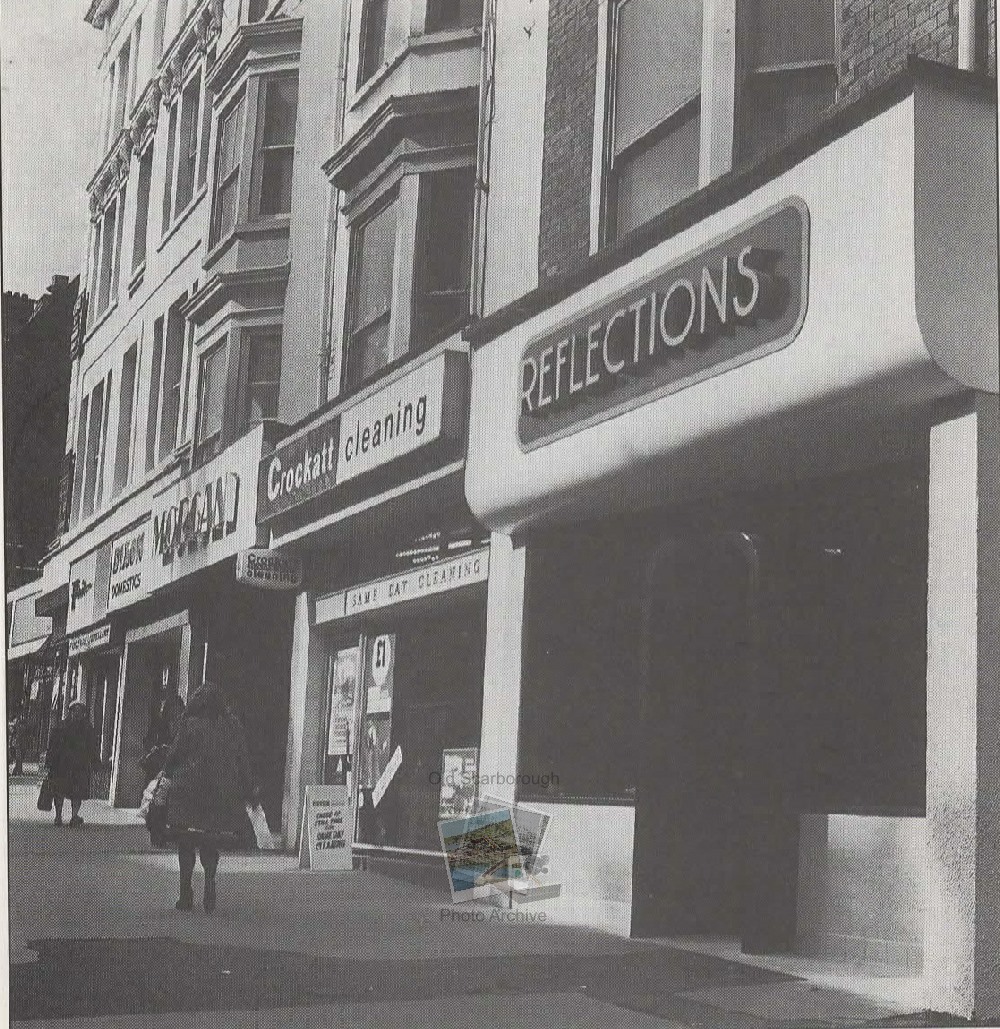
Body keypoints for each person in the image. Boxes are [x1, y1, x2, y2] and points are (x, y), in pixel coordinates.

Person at [161, 682, 255, 914]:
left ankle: (185, 892)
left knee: (186, 840)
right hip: (220, 792)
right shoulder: (233, 726)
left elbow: (174, 756)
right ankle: (210, 883)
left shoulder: (189, 725)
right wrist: (247, 788)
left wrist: (167, 773)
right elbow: (242, 759)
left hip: (188, 791)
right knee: (210, 840)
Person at [46, 702, 104, 826]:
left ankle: (74, 816)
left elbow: (92, 747)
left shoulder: (87, 728)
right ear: (70, 712)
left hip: (79, 766)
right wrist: (49, 762)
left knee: (77, 793)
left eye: (80, 711)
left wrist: (95, 762)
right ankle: (58, 816)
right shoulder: (61, 727)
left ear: (83, 714)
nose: (77, 714)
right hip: (62, 765)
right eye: (75, 711)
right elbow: (52, 745)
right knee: (59, 791)